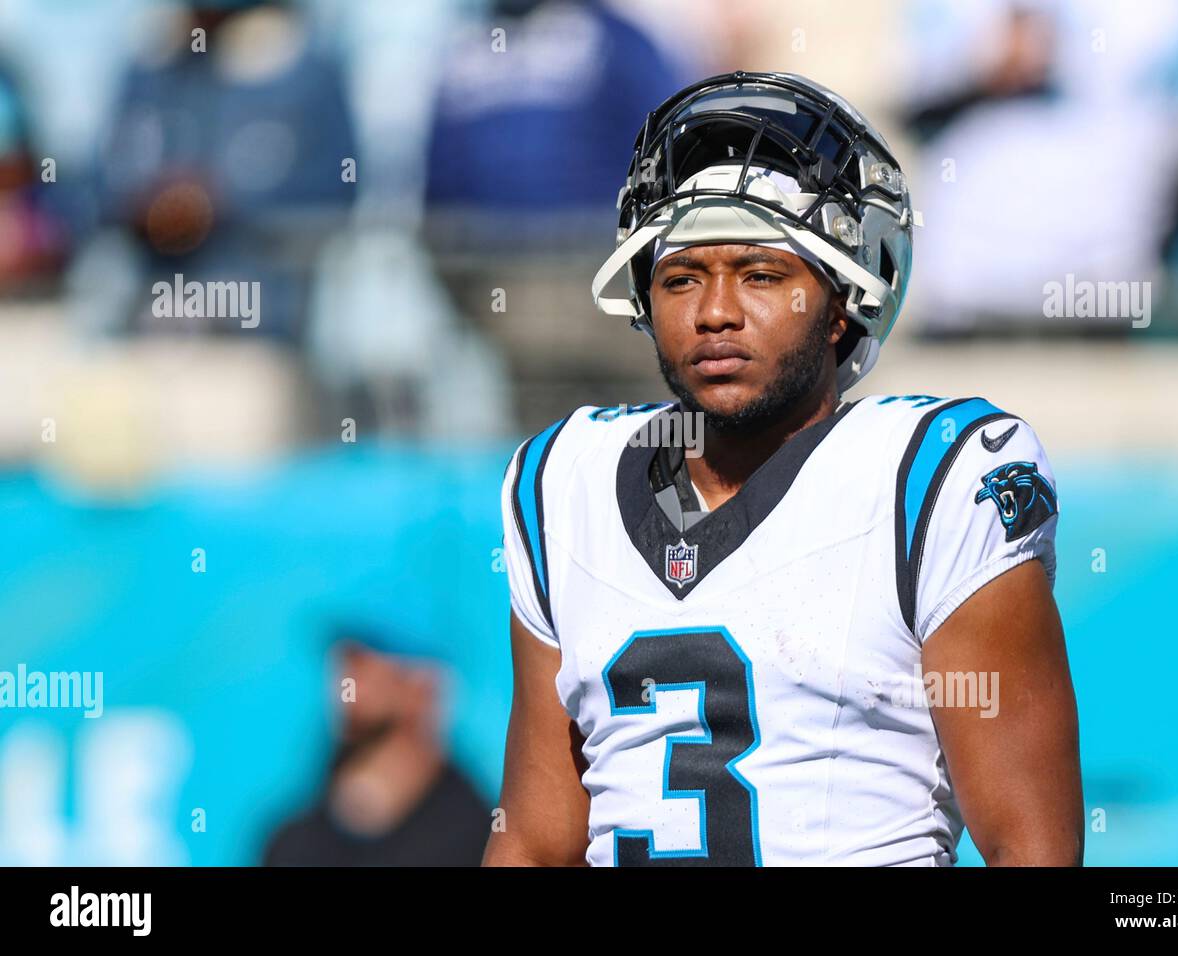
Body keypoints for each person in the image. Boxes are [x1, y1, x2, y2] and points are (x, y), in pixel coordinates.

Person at [485, 71, 1082, 866]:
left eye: (761, 275)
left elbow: (1030, 846)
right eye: (681, 277)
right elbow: (533, 841)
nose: (715, 311)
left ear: (844, 301)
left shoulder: (930, 477)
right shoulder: (564, 479)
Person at [262, 636, 490, 866]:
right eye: (346, 661)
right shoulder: (294, 843)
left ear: (422, 688)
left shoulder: (477, 841)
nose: (345, 683)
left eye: (362, 662)